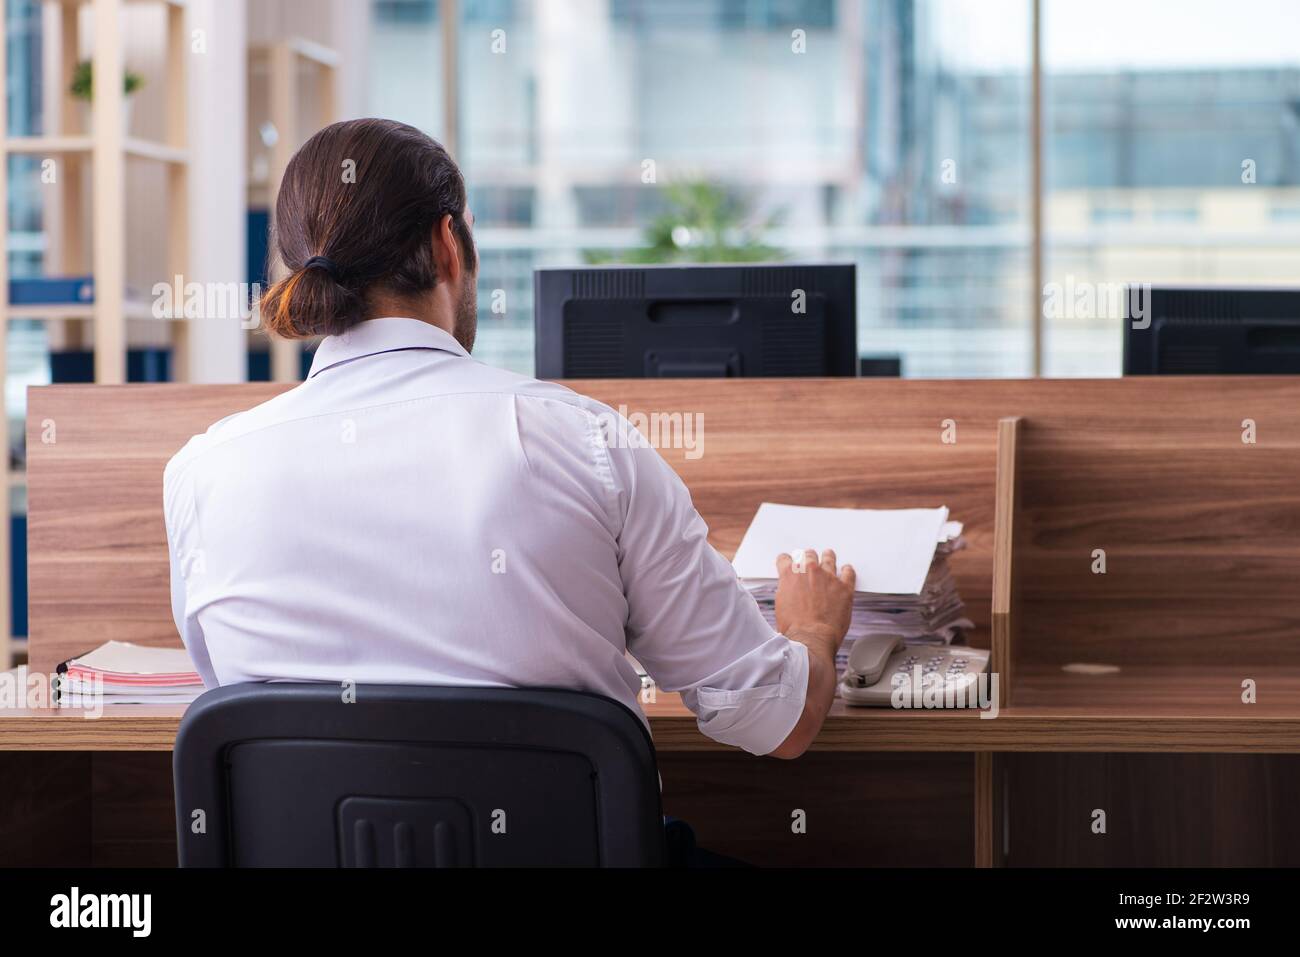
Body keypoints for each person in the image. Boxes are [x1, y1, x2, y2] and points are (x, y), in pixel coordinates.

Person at [163, 118, 854, 774]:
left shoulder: (204, 473)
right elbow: (778, 721)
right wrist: (813, 629)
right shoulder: (585, 441)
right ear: (447, 246)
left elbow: (238, 701)